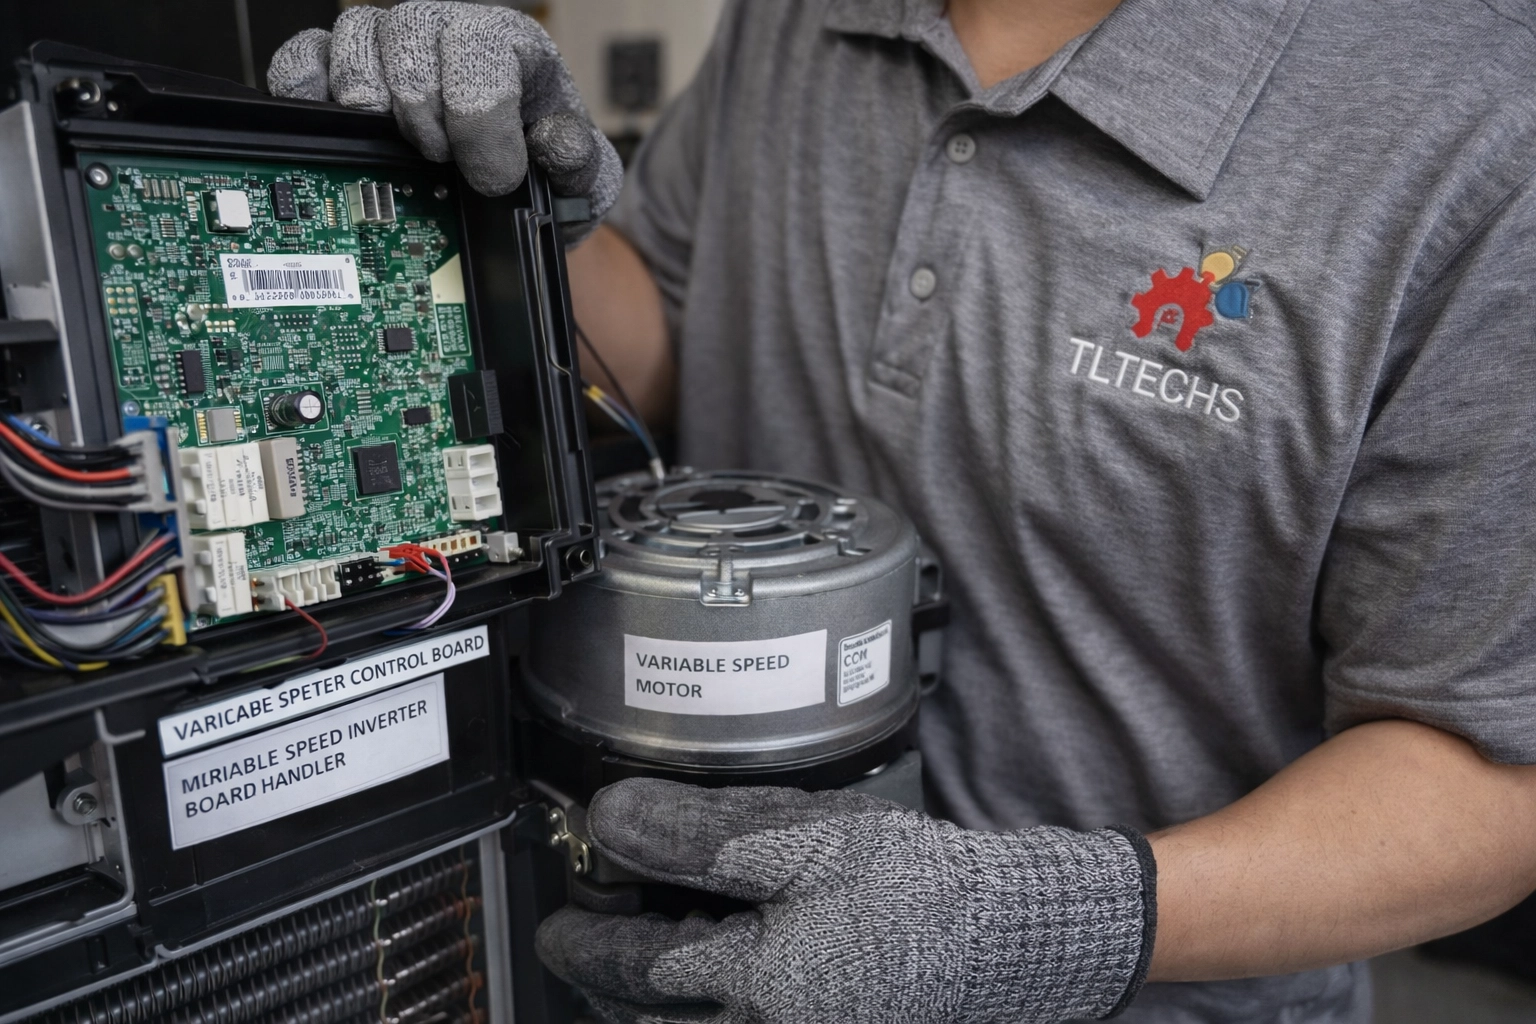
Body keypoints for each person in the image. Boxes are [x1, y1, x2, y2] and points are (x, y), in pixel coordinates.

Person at [270, 2, 1536, 1021]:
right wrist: (514, 199)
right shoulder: (795, 17)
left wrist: (1049, 926)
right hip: (687, 954)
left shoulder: (1473, 123)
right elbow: (654, 348)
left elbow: (1491, 772)